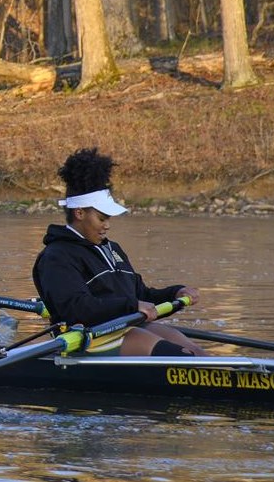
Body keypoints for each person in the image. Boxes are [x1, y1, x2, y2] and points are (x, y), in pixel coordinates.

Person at [31, 147, 204, 356]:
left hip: (125, 326)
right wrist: (130, 306)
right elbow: (77, 308)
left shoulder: (112, 249)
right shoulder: (56, 257)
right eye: (102, 219)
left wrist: (175, 293)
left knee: (195, 352)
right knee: (180, 356)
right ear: (79, 213)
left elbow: (140, 295)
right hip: (88, 338)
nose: (107, 226)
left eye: (108, 219)